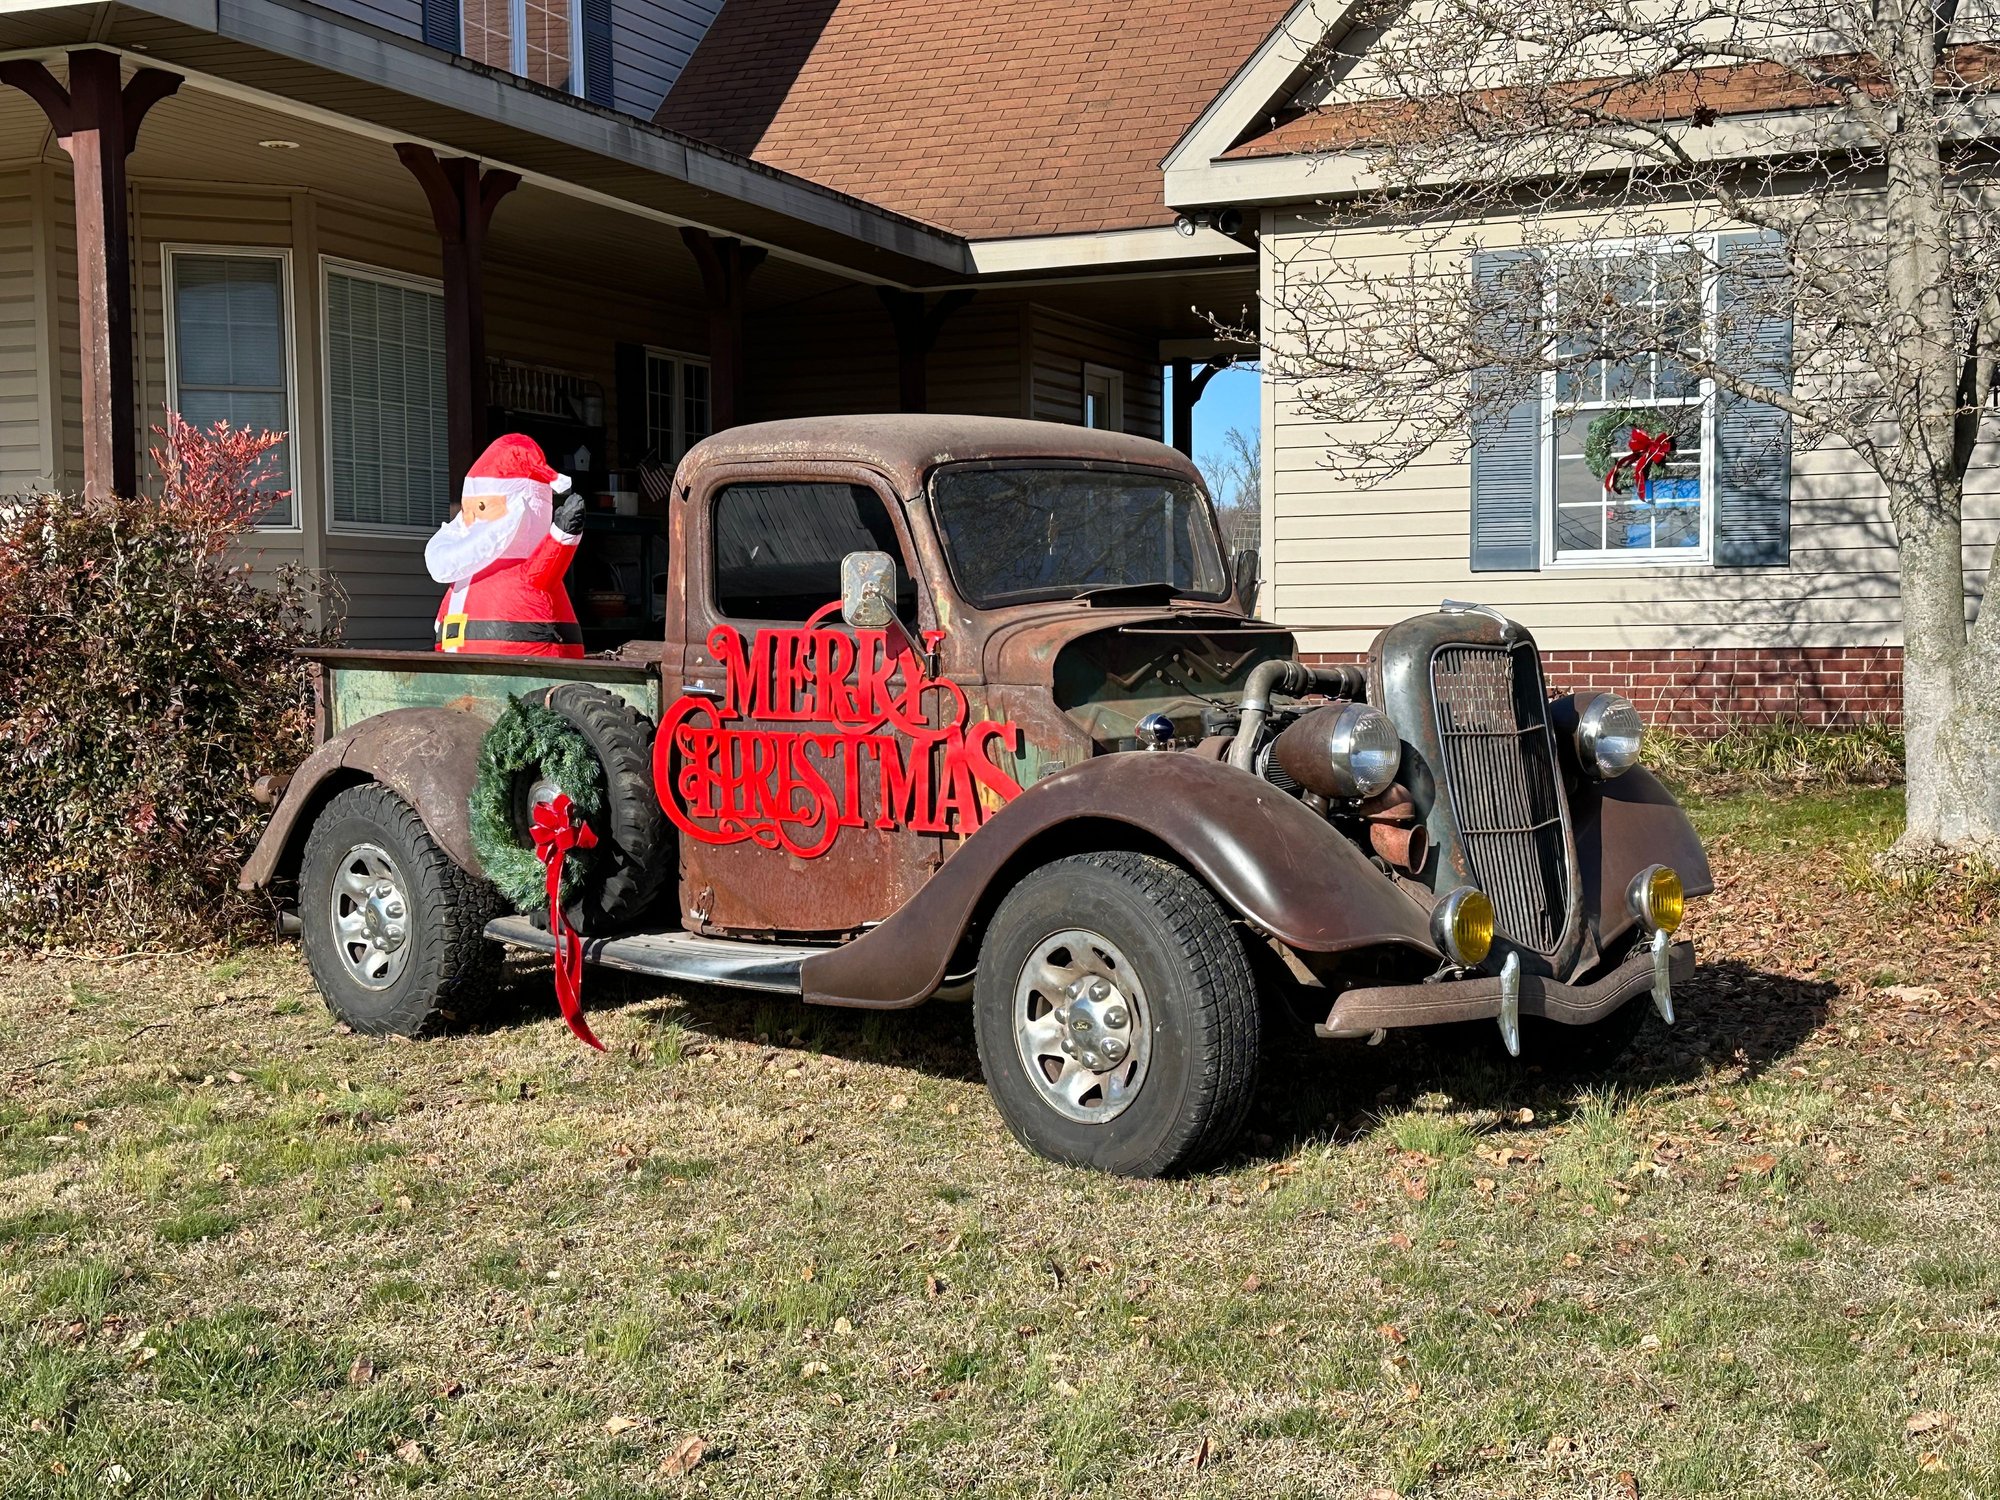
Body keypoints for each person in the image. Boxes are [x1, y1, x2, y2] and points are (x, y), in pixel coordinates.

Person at [425, 434, 587, 658]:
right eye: (466, 508)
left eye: (481, 507)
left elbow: (549, 563)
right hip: (456, 664)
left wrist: (563, 533)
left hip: (519, 660)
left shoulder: (524, 569)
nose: (470, 519)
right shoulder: (466, 564)